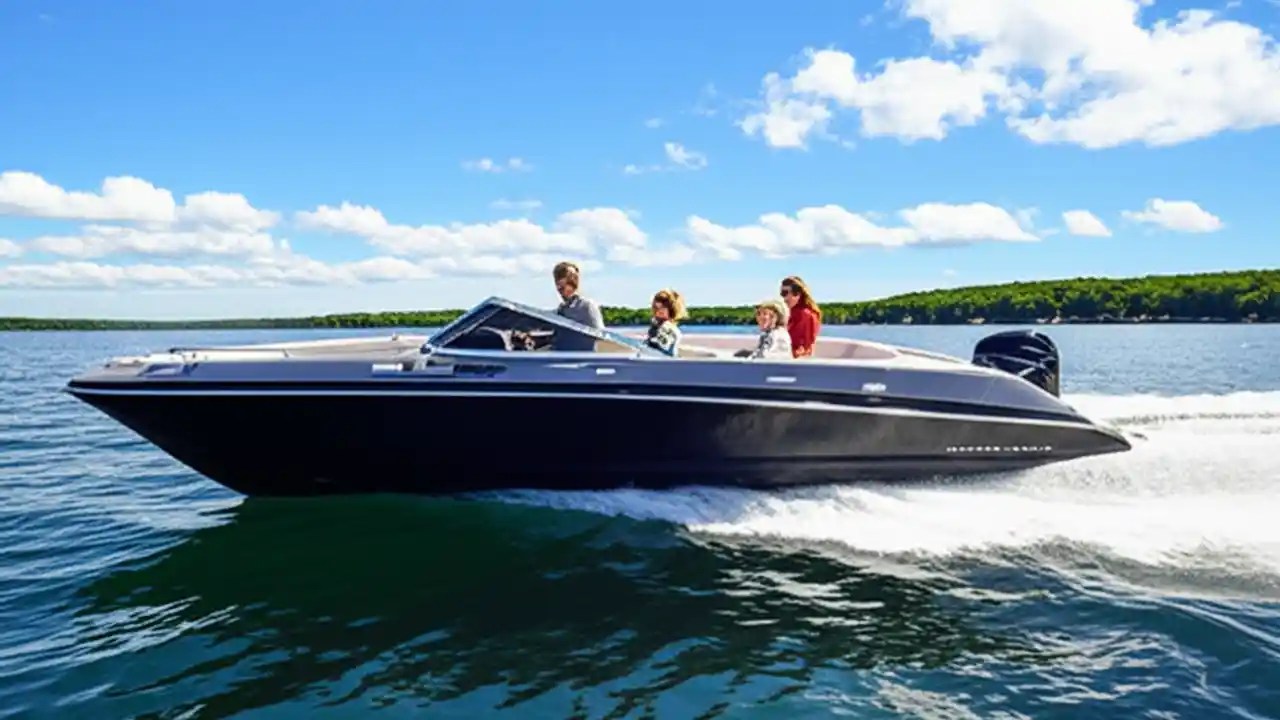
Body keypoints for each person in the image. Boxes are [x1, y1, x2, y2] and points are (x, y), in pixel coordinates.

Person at [551, 260, 604, 351]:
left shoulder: (587, 306)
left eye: (563, 285)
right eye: (558, 285)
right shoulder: (561, 309)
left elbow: (600, 334)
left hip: (582, 359)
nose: (560, 290)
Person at [780, 275, 821, 358]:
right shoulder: (790, 313)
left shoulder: (807, 315)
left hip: (795, 361)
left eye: (785, 293)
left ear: (797, 294)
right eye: (781, 294)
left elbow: (805, 348)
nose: (783, 298)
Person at [644, 288, 686, 356]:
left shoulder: (667, 328)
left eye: (661, 308)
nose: (657, 311)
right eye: (655, 307)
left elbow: (663, 346)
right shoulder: (658, 325)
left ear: (672, 310)